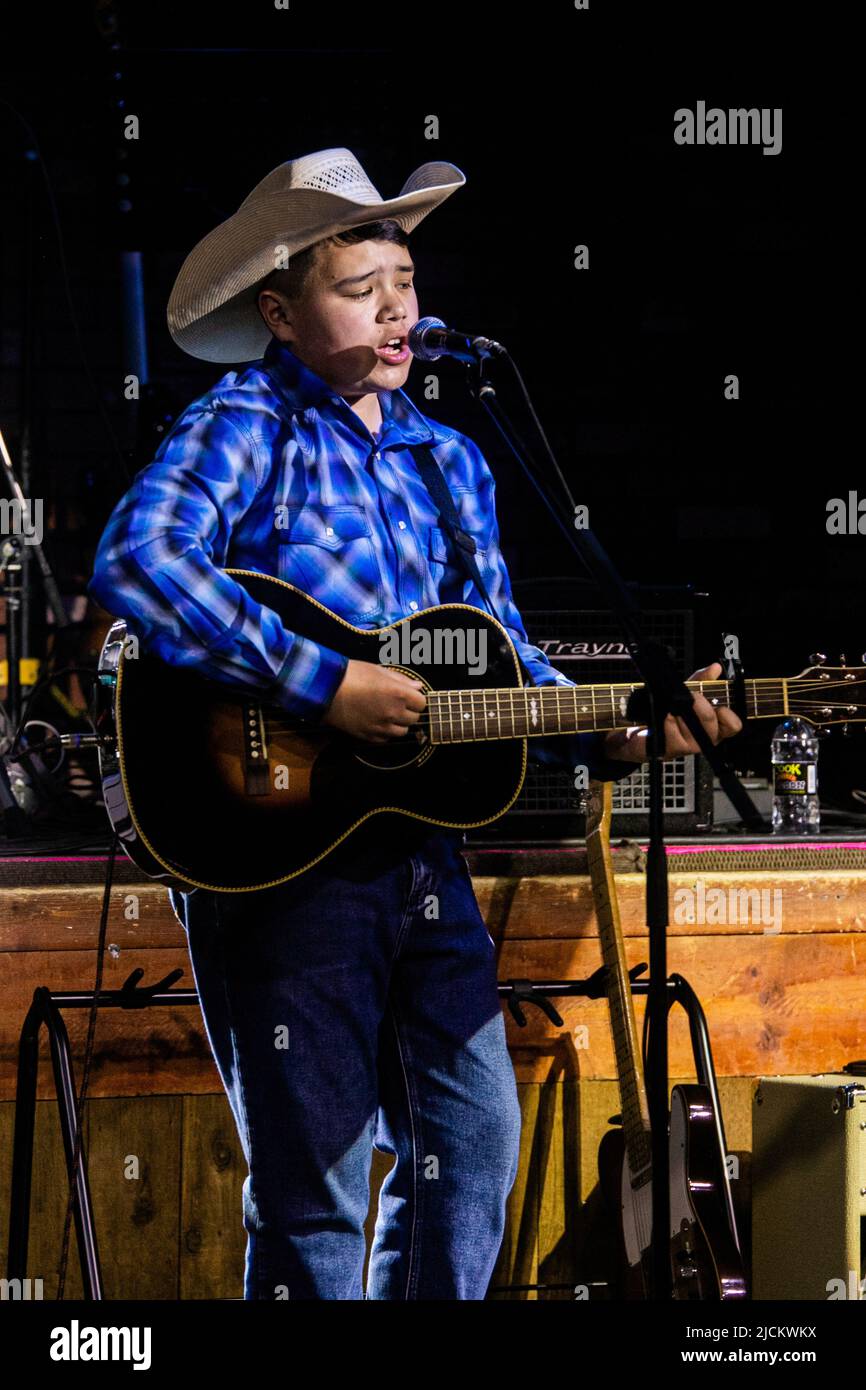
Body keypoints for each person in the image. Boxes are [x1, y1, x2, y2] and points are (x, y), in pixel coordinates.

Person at [87, 147, 742, 1300]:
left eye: (404, 277)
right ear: (279, 314)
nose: (397, 306)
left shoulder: (450, 461)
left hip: (418, 850)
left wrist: (606, 728)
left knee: (472, 1151)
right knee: (318, 1189)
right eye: (359, 285)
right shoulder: (245, 423)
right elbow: (138, 562)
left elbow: (498, 646)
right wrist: (319, 684)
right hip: (277, 854)